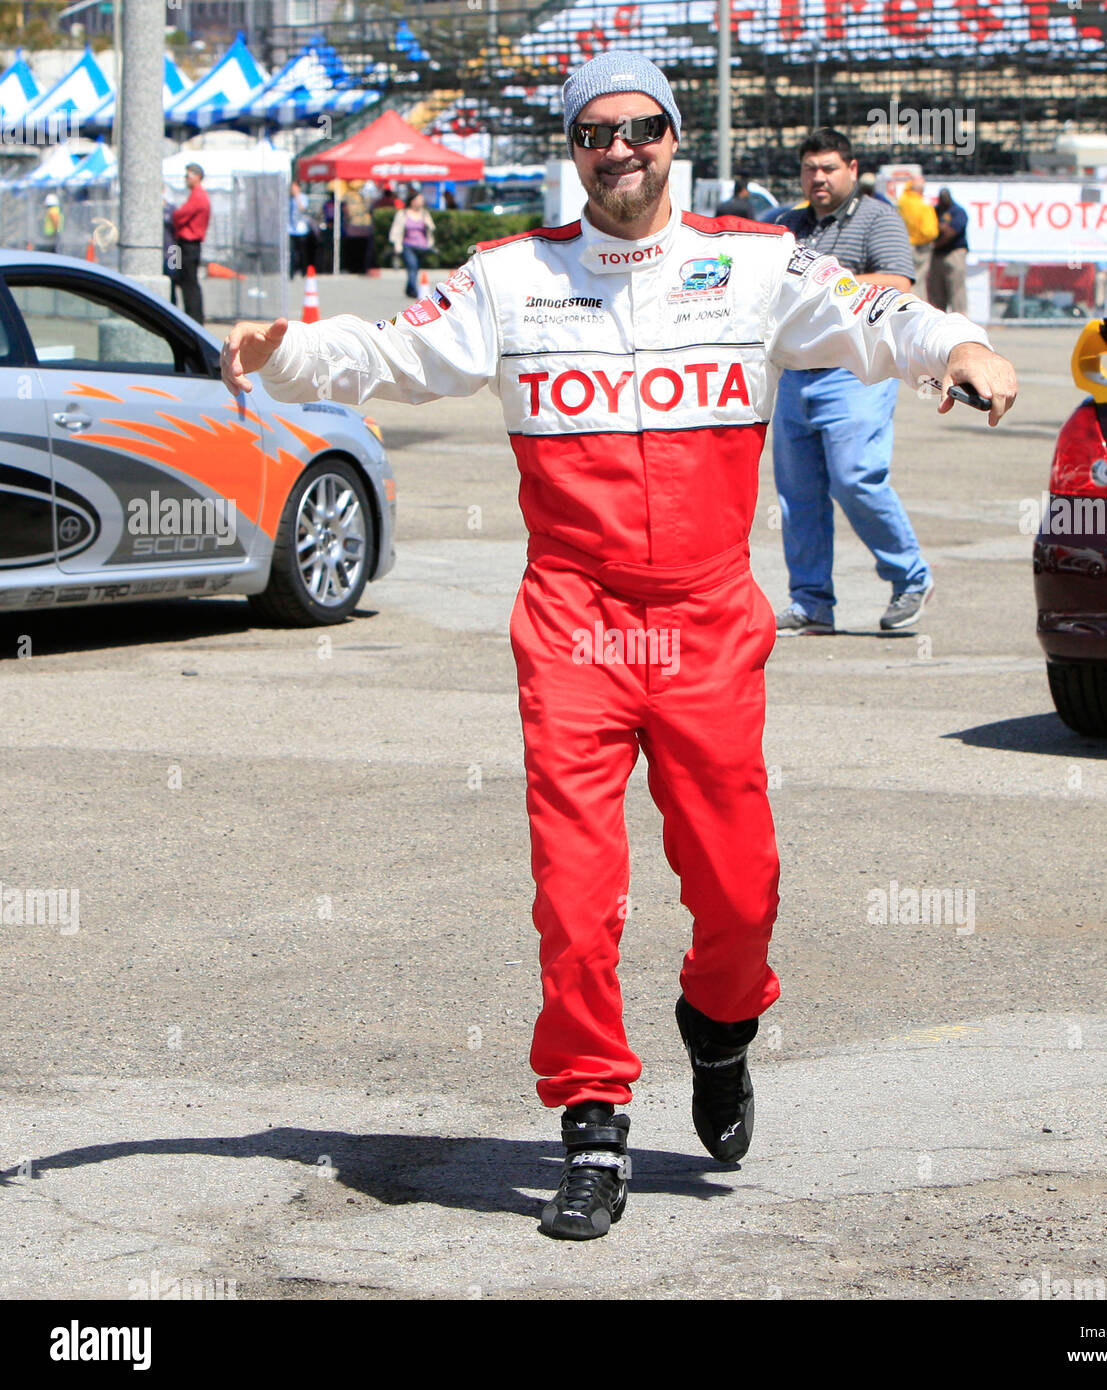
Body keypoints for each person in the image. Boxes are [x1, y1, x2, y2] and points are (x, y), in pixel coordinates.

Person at [221, 50, 1016, 1242]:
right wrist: (286, 350)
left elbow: (872, 311)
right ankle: (592, 1121)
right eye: (596, 131)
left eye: (641, 126)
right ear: (573, 148)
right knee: (577, 899)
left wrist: (957, 347)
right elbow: (391, 355)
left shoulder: (751, 263)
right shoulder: (509, 276)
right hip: (573, 622)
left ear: (670, 137)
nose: (620, 147)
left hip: (705, 618)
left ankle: (721, 1022)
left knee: (740, 887)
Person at [773, 128, 937, 635]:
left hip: (855, 375)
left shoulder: (877, 217)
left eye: (828, 168)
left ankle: (910, 577)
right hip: (794, 375)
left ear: (852, 169)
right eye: (809, 169)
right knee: (797, 496)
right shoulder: (786, 223)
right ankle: (811, 603)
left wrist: (826, 283)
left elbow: (898, 283)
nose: (817, 178)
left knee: (855, 478)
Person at [171, 162, 210, 324]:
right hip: (186, 245)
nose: (185, 179)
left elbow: (180, 215)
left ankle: (193, 318)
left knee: (189, 283)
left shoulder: (198, 196)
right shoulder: (197, 195)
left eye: (188, 175)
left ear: (197, 177)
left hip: (189, 245)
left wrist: (174, 214)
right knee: (186, 280)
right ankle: (192, 317)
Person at [389, 188, 437, 299]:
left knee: (415, 268)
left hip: (422, 246)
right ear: (412, 201)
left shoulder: (425, 214)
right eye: (419, 199)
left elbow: (432, 228)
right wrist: (396, 244)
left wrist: (427, 224)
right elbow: (396, 230)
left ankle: (409, 288)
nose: (421, 202)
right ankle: (413, 291)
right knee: (412, 266)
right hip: (408, 245)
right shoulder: (403, 213)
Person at [927, 187, 968, 313]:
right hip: (936, 255)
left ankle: (960, 323)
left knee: (956, 292)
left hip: (953, 253)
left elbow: (951, 232)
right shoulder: (935, 210)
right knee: (935, 295)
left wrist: (938, 238)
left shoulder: (958, 211)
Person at [897, 176, 938, 291]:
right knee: (919, 281)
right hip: (920, 247)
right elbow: (929, 232)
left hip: (904, 244)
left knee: (906, 279)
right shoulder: (924, 206)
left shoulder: (903, 201)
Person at [288, 180, 313, 280]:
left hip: (301, 228)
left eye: (294, 188)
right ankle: (292, 272)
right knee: (292, 251)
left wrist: (297, 197)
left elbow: (302, 209)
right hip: (291, 228)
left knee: (302, 251)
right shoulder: (289, 199)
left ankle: (303, 271)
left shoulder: (303, 198)